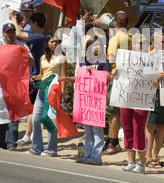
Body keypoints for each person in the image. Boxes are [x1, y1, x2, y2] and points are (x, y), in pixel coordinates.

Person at [60, 36, 112, 165]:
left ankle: (96, 157)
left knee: (97, 130)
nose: (98, 48)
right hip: (85, 102)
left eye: (100, 45)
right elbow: (80, 78)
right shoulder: (84, 62)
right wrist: (68, 79)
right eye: (95, 45)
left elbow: (109, 78)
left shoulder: (104, 62)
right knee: (88, 130)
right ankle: (87, 155)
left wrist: (95, 71)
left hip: (97, 102)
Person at [0, 23, 34, 150]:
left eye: (13, 31)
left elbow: (31, 63)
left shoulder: (21, 46)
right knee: (1, 111)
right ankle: (1, 141)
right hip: (0, 85)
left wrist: (25, 55)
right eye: (8, 31)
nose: (11, 33)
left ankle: (11, 142)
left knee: (13, 113)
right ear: (3, 33)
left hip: (16, 85)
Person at [9, 9, 47, 147]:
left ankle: (28, 135)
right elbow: (19, 34)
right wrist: (16, 20)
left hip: (37, 76)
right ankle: (29, 135)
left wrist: (13, 18)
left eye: (31, 22)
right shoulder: (34, 34)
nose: (30, 25)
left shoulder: (40, 37)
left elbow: (18, 33)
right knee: (31, 107)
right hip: (30, 75)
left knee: (33, 108)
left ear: (36, 23)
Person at [27, 35, 67, 157]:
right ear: (47, 43)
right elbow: (41, 74)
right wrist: (35, 78)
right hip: (42, 90)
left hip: (54, 91)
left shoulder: (62, 58)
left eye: (57, 42)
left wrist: (62, 93)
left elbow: (63, 76)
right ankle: (36, 147)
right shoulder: (42, 58)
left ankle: (51, 148)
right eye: (52, 41)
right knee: (36, 118)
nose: (54, 44)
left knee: (50, 118)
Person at [119, 33, 150, 174]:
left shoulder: (150, 59)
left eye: (145, 43)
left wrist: (158, 77)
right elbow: (120, 73)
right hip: (126, 97)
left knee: (138, 129)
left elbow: (157, 75)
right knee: (127, 129)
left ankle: (141, 163)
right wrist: (115, 70)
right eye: (140, 43)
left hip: (142, 99)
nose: (143, 46)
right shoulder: (125, 59)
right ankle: (130, 161)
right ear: (133, 45)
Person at [146, 33, 164, 168]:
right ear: (153, 43)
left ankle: (155, 156)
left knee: (162, 126)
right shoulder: (149, 56)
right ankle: (147, 156)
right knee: (150, 125)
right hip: (152, 95)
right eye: (160, 42)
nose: (163, 44)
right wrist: (156, 77)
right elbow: (142, 76)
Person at [104, 11, 131, 155]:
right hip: (129, 78)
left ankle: (113, 142)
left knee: (113, 112)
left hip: (117, 78)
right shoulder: (131, 38)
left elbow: (112, 60)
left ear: (115, 24)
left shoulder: (115, 39)